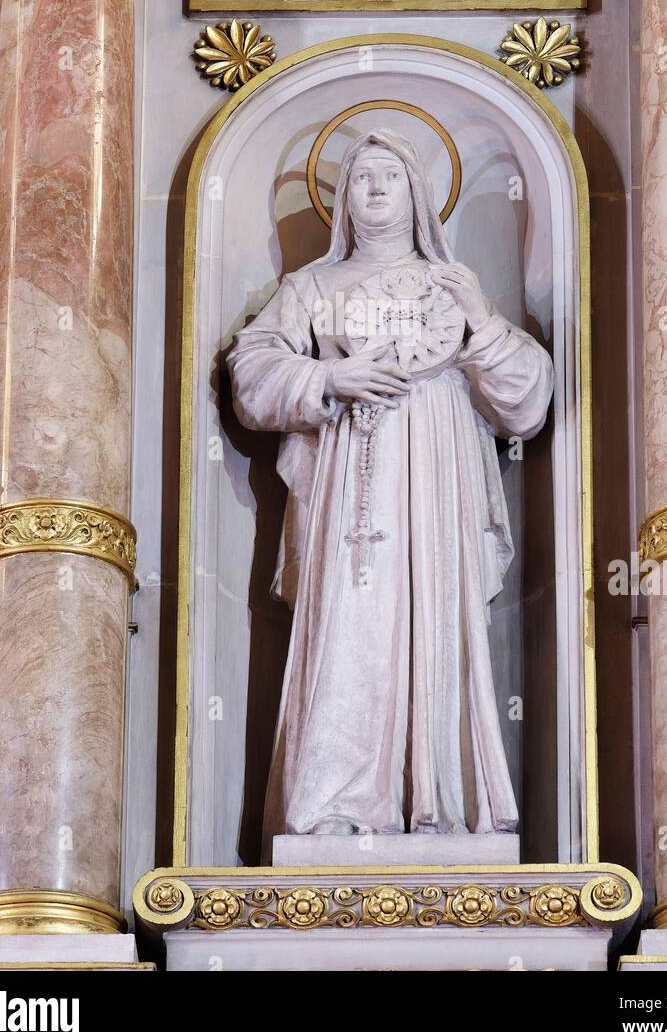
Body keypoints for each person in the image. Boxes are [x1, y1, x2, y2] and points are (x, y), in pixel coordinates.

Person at [229, 129, 553, 843]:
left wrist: (483, 319)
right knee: (350, 624)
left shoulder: (454, 286)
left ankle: (436, 801)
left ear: (417, 196)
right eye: (361, 178)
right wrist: (326, 377)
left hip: (437, 477)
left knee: (436, 620)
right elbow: (251, 377)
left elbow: (526, 402)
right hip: (349, 476)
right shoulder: (308, 288)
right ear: (342, 198)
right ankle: (334, 807)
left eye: (390, 177)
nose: (374, 189)